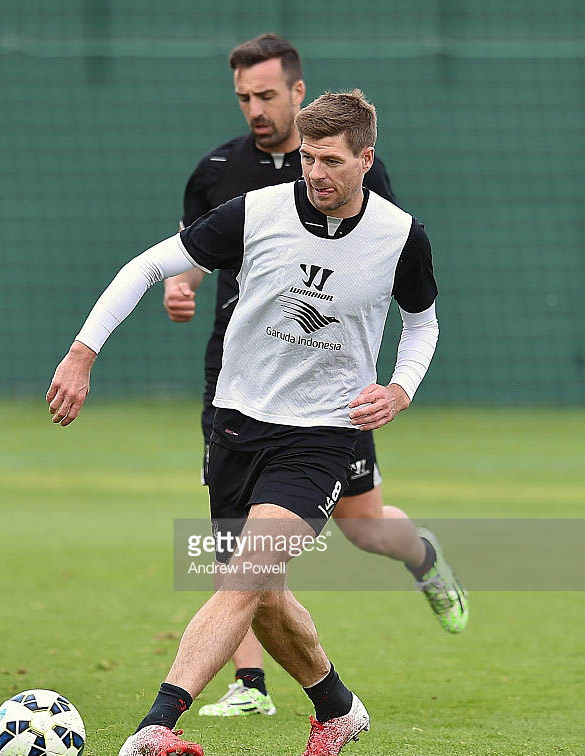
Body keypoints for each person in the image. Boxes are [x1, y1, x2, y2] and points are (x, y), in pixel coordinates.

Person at [48, 90, 444, 756]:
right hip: (235, 423)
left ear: (365, 159)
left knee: (245, 576)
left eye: (331, 161)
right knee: (263, 599)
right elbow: (146, 267)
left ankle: (155, 725)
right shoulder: (255, 213)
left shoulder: (400, 234)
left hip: (320, 435)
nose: (316, 173)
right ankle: (338, 708)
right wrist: (83, 352)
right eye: (307, 158)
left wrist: (400, 388)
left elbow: (422, 322)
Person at [161, 34, 468, 720]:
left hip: (332, 393)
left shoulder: (361, 181)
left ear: (298, 95)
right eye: (243, 96)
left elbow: (386, 273)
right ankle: (250, 684)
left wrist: (394, 384)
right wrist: (179, 285)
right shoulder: (217, 169)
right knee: (242, 551)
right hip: (241, 379)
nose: (255, 109)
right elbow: (189, 253)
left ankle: (422, 553)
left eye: (267, 95)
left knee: (363, 526)